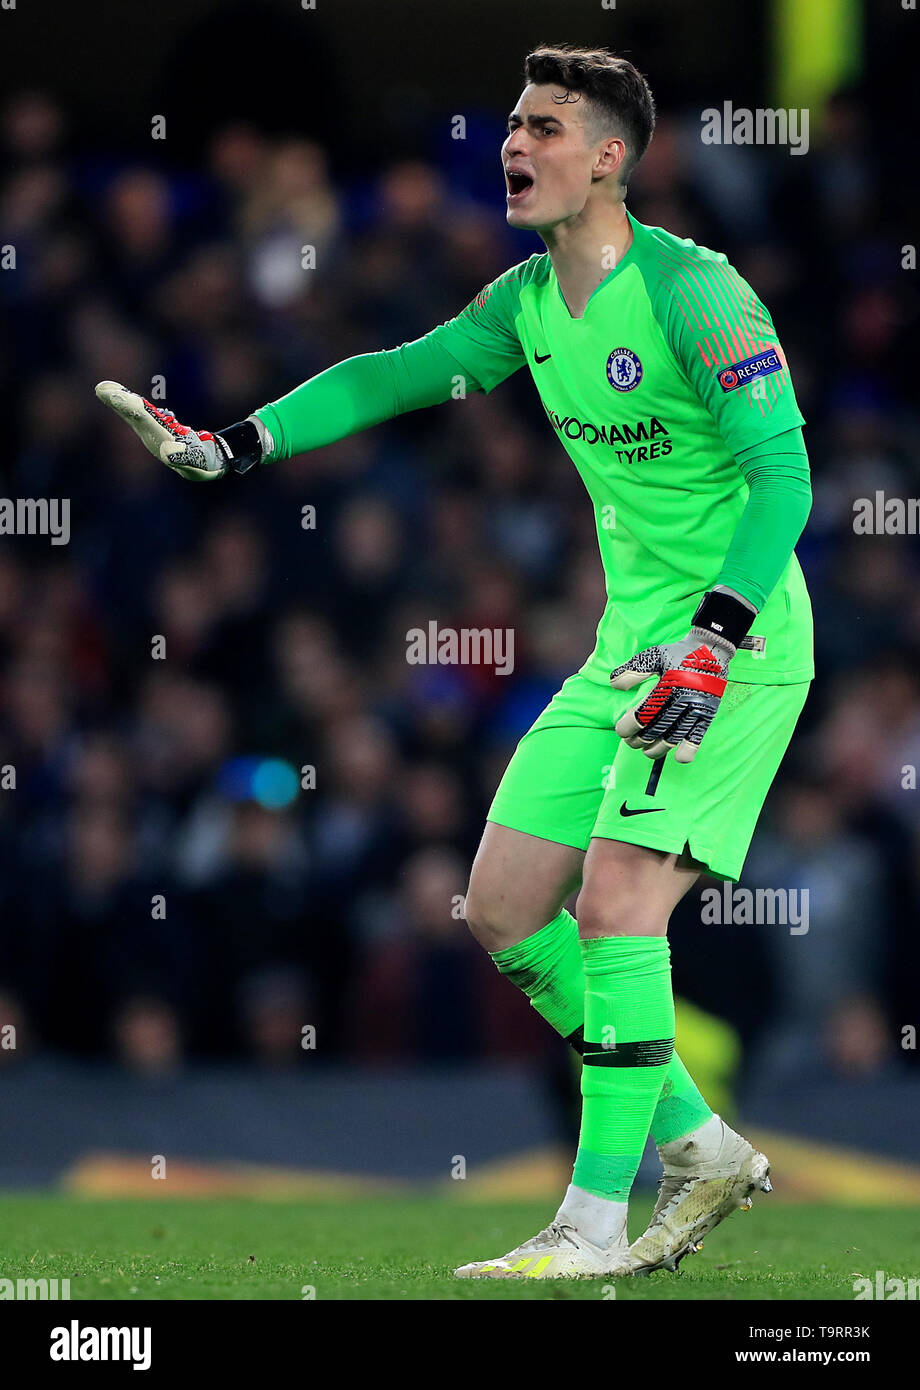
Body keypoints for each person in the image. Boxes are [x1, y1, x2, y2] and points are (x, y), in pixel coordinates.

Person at [96, 44, 812, 1279]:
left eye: (541, 127)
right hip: (623, 652)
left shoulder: (694, 293)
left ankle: (588, 1223)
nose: (511, 146)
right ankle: (699, 1143)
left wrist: (714, 634)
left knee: (616, 902)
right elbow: (392, 375)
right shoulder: (524, 304)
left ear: (607, 157)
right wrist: (237, 443)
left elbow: (782, 478)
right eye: (509, 126)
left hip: (730, 647)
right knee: (499, 907)